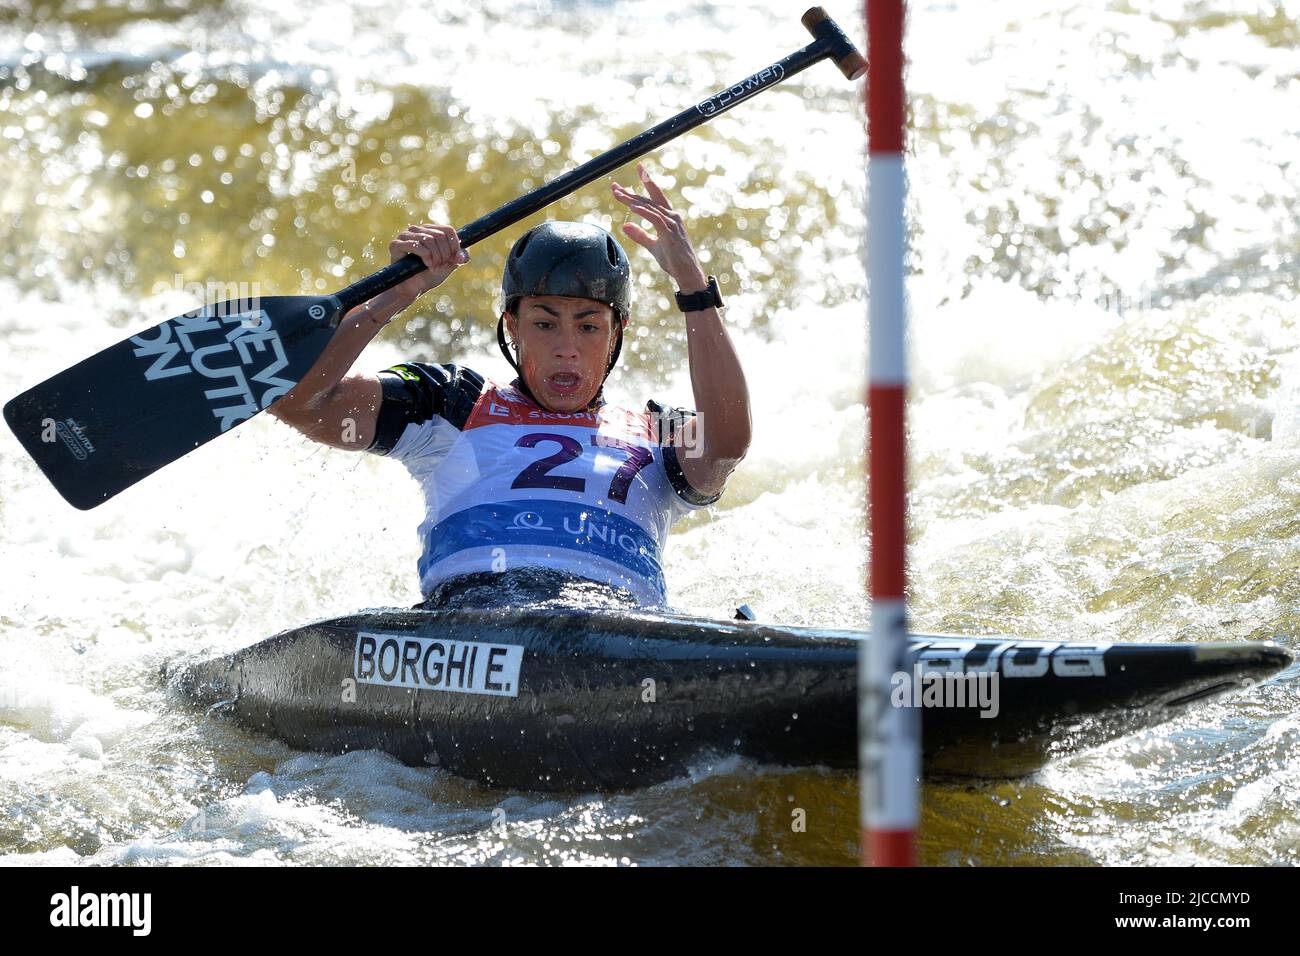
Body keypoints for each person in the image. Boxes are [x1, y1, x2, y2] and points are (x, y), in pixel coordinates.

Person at [270, 163, 751, 609]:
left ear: (615, 334)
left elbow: (727, 445)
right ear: (512, 327)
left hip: (618, 627)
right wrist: (394, 293)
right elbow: (301, 403)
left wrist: (693, 286)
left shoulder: (661, 432)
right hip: (471, 618)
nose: (566, 348)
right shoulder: (450, 403)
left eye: (588, 327)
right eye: (544, 324)